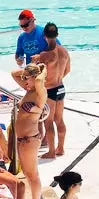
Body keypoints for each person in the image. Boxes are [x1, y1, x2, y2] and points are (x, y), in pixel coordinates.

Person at [9, 63, 48, 199]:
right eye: (24, 77)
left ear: (35, 77)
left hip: (29, 139)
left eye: (27, 77)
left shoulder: (40, 92)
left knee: (32, 174)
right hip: (22, 139)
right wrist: (30, 71)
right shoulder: (29, 89)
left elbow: (38, 81)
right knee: (27, 173)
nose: (24, 80)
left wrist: (42, 72)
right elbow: (14, 73)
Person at [34, 23, 71, 157]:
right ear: (57, 35)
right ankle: (60, 148)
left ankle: (51, 152)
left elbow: (38, 75)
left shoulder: (44, 55)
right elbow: (68, 70)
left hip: (50, 90)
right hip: (61, 87)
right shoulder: (64, 51)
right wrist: (58, 78)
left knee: (48, 122)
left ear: (44, 36)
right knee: (59, 120)